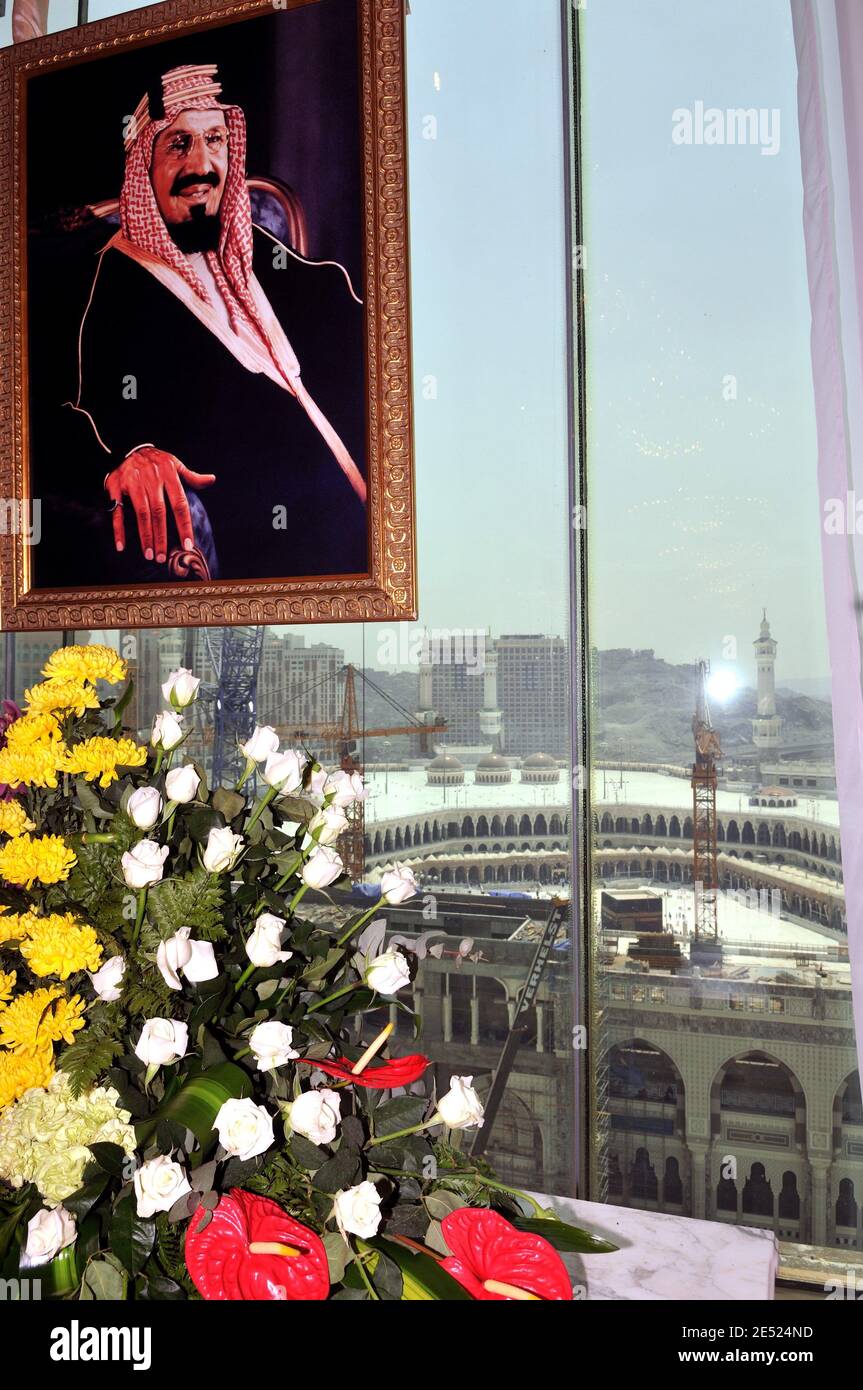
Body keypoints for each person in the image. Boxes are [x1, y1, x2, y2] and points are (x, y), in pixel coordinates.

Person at [30, 63, 367, 586]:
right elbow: (58, 411)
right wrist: (132, 454)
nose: (202, 164)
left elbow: (340, 313)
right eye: (178, 145)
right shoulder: (114, 282)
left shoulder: (256, 250)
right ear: (146, 166)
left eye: (214, 139)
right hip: (272, 560)